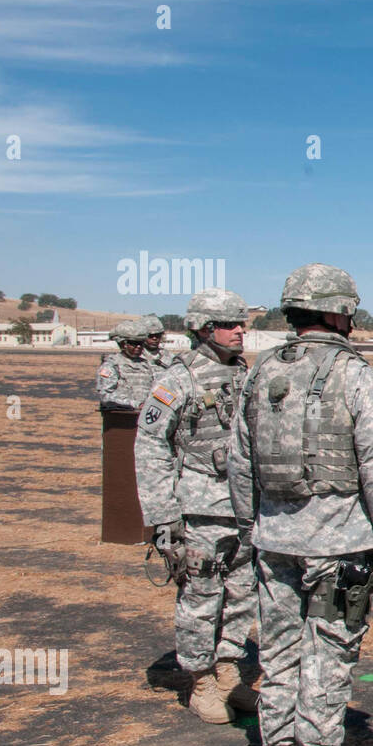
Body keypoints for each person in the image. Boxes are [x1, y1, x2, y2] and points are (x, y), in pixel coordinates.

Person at [229, 263, 373, 746]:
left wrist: (250, 531)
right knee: (328, 655)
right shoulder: (352, 374)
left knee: (280, 655)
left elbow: (240, 464)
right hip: (338, 546)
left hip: (273, 544)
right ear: (340, 312)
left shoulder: (260, 374)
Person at [136, 289, 259, 723]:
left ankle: (228, 672)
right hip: (199, 509)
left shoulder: (245, 375)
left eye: (243, 323)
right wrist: (163, 518)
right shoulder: (177, 380)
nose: (242, 331)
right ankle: (200, 680)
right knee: (201, 595)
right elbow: (152, 449)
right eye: (232, 324)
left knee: (243, 595)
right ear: (205, 330)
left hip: (244, 510)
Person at [96, 319, 154, 411]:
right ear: (123, 344)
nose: (138, 347)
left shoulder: (147, 365)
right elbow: (106, 396)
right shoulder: (111, 365)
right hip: (121, 418)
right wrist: (135, 404)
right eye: (134, 343)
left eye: (141, 343)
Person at [140, 314, 174, 378]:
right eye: (150, 336)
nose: (154, 339)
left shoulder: (170, 357)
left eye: (158, 335)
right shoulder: (137, 356)